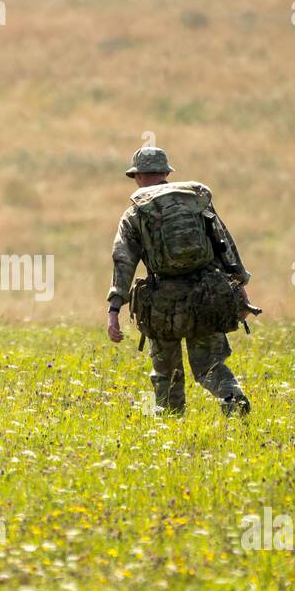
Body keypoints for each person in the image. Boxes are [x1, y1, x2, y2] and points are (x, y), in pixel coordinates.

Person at [106, 146, 253, 415]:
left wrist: (114, 309)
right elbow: (224, 246)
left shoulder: (135, 213)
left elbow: (123, 261)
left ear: (137, 176)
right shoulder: (196, 202)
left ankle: (171, 425)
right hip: (207, 295)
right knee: (210, 366)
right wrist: (241, 290)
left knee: (166, 373)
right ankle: (233, 398)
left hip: (163, 304)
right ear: (165, 172)